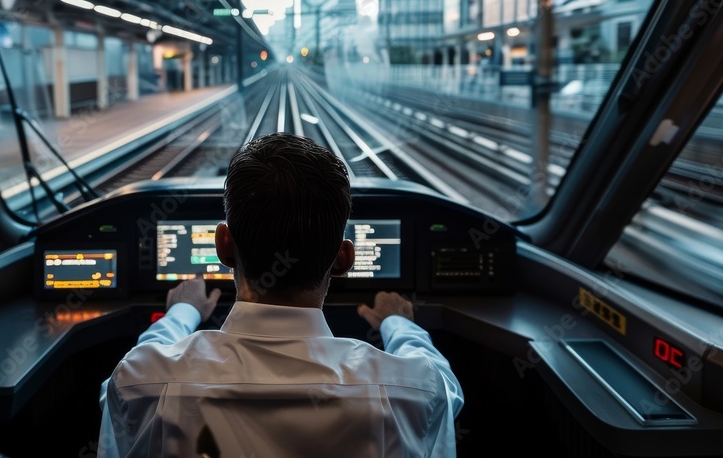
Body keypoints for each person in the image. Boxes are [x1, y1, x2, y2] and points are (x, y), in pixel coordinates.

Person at [97, 133, 463, 457]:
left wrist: (181, 314)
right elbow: (445, 388)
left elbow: (120, 390)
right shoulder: (412, 390)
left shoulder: (141, 382)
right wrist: (398, 322)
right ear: (344, 258)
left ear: (224, 246)